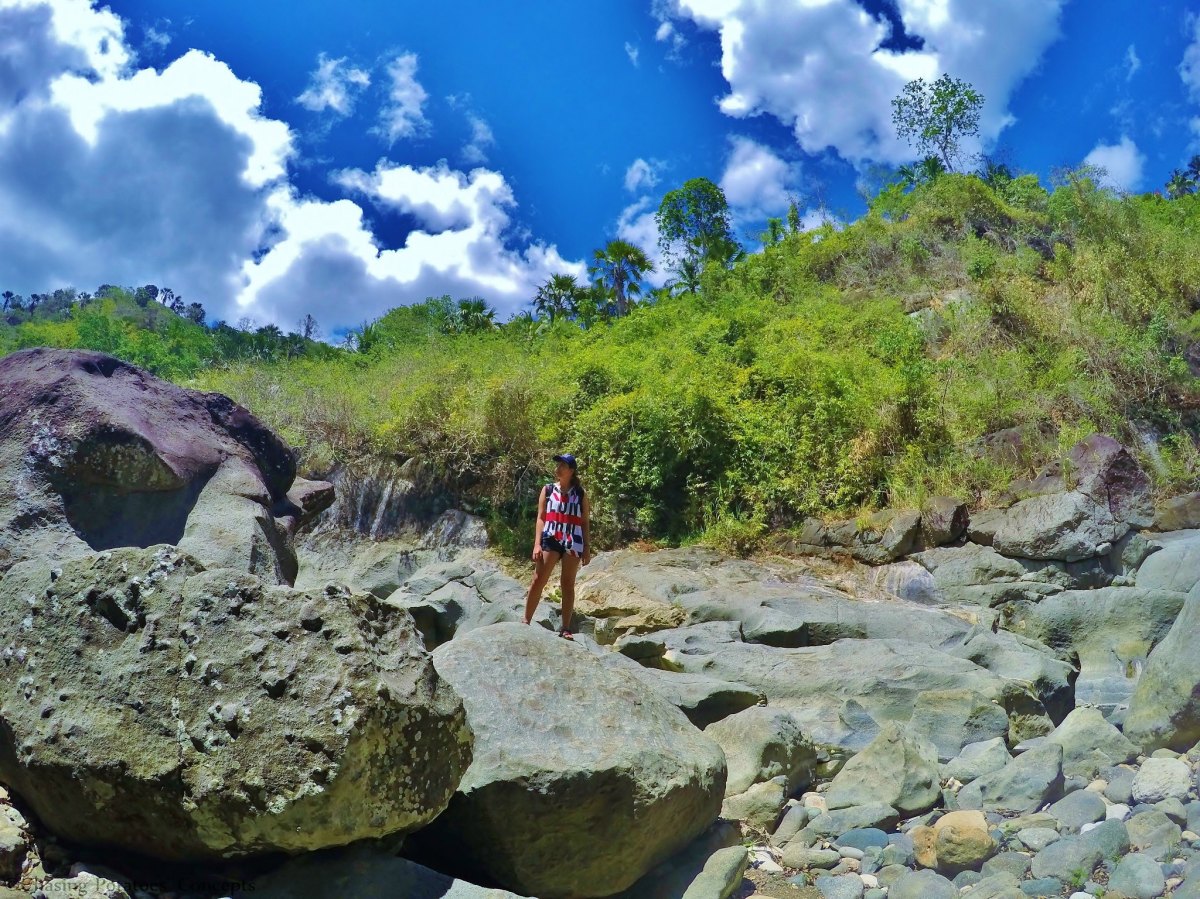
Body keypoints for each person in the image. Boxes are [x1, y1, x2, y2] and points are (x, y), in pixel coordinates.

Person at [523, 453, 591, 639]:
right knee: (538, 579)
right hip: (551, 536)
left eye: (563, 465)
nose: (558, 468)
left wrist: (586, 547)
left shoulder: (580, 493)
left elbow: (584, 522)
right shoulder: (548, 489)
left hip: (573, 539)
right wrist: (537, 544)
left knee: (567, 584)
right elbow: (541, 518)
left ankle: (566, 628)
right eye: (558, 464)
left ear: (571, 471)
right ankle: (526, 621)